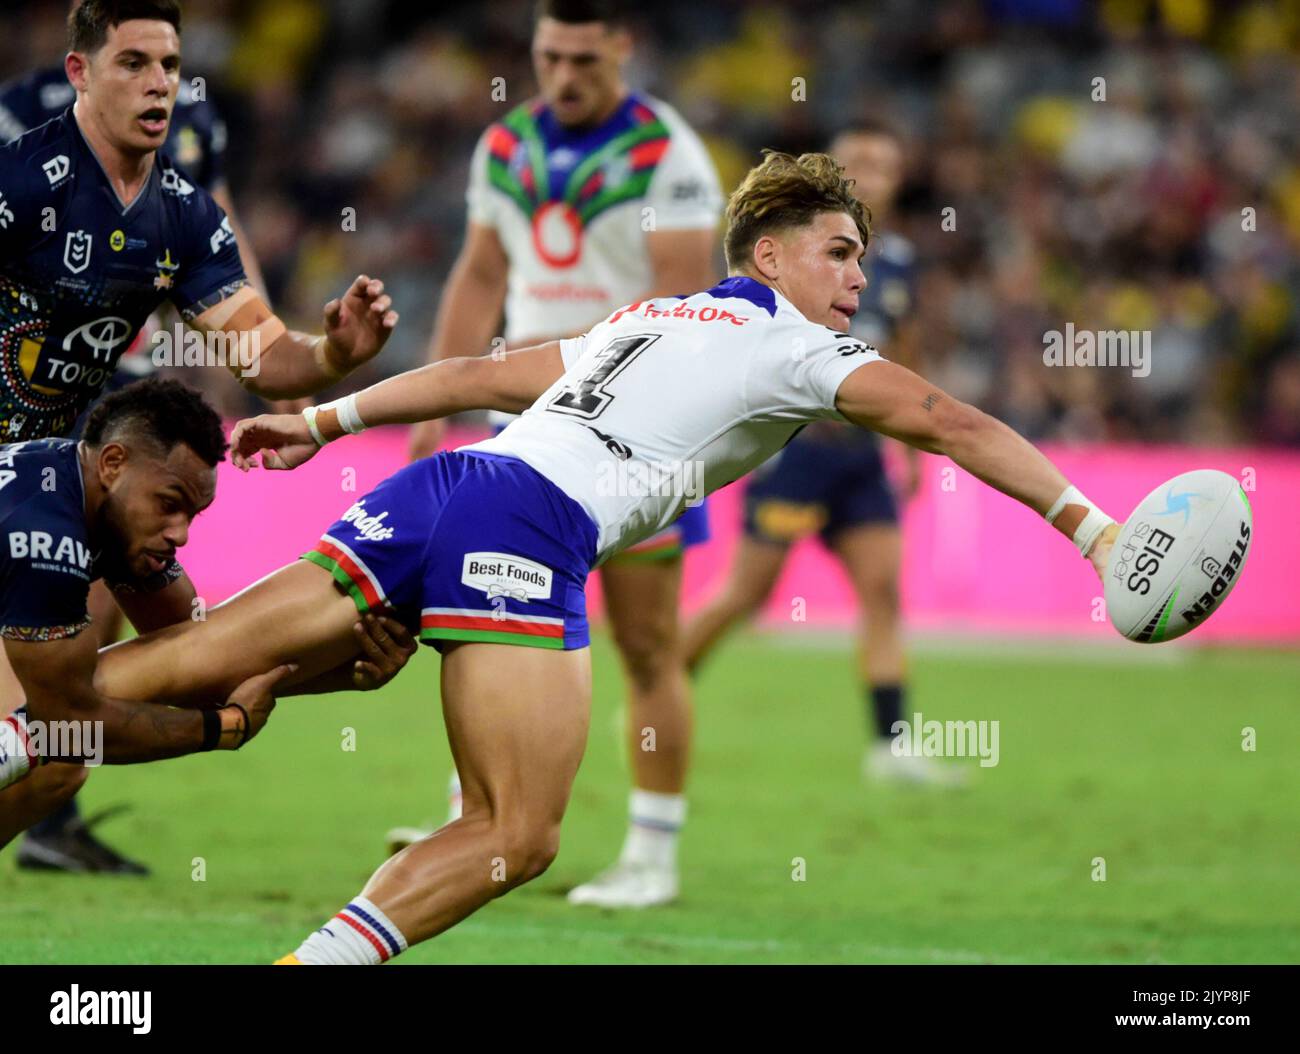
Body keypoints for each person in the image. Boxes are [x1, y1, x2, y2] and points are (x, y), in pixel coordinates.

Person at [85, 149, 1119, 964]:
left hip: (443, 487)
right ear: (769, 255)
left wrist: (324, 419)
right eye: (839, 251)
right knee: (515, 833)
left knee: (206, 656)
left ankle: (16, 729)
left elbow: (482, 375)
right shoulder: (797, 348)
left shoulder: (652, 316)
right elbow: (946, 420)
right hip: (529, 529)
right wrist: (1093, 529)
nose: (857, 275)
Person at [0, 0, 398, 872]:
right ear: (79, 73)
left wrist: (335, 350)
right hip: (23, 490)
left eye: (169, 67)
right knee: (52, 729)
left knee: (64, 748)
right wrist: (217, 731)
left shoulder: (184, 217)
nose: (157, 85)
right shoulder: (19, 184)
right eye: (133, 62)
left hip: (64, 480)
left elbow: (265, 357)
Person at [395, 0, 723, 911]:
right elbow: (483, 272)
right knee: (481, 621)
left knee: (650, 647)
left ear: (624, 43)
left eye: (583, 58)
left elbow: (681, 305)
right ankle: (473, 814)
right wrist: (440, 395)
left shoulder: (670, 155)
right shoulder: (505, 147)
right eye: (549, 56)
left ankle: (652, 854)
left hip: (640, 434)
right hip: (522, 429)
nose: (564, 76)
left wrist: (548, 363)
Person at [682, 120, 959, 786]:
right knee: (748, 595)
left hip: (861, 456)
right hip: (799, 450)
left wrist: (915, 448)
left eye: (885, 164)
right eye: (858, 161)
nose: (871, 173)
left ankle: (890, 746)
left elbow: (906, 347)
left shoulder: (898, 265)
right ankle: (659, 688)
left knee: (883, 594)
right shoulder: (796, 258)